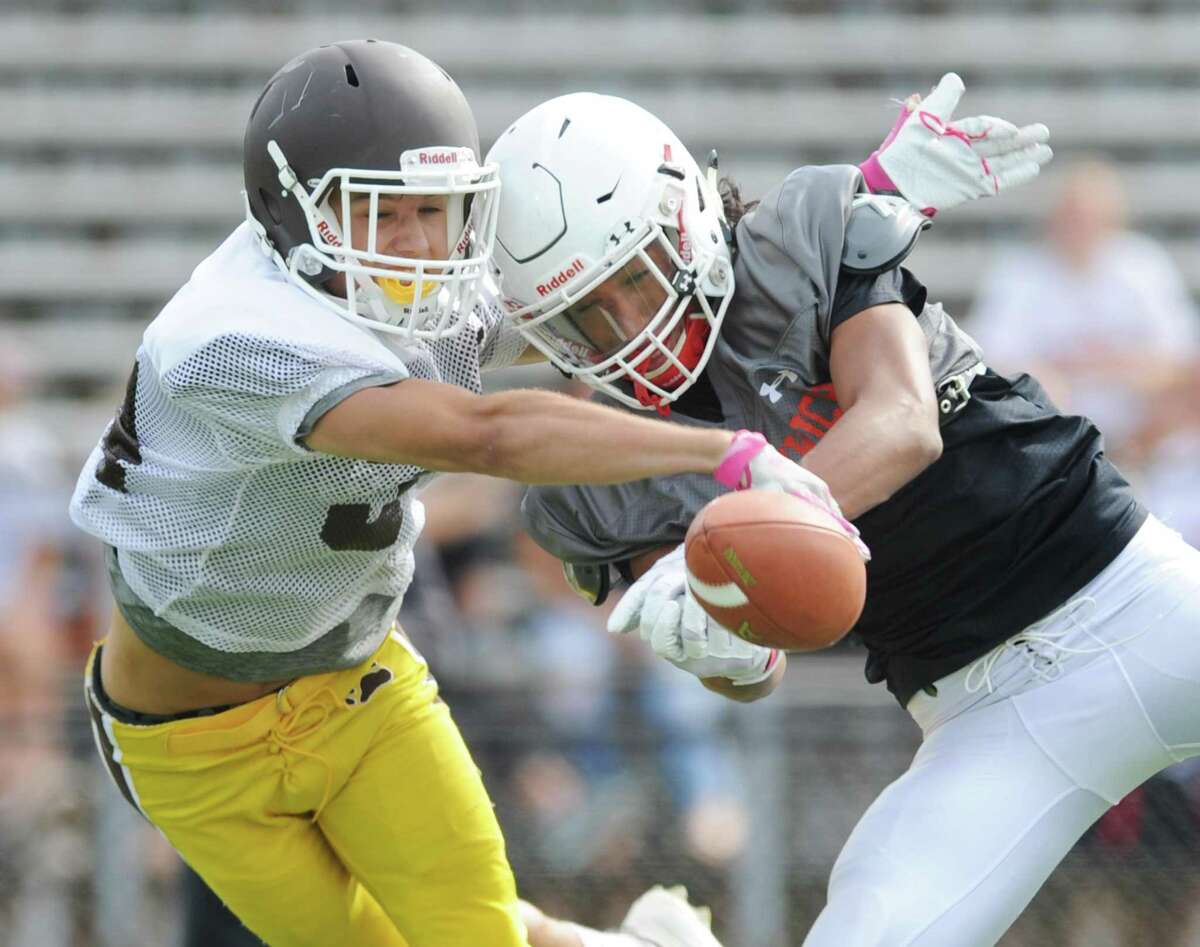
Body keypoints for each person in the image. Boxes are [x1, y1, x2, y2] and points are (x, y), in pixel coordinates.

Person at [68, 40, 847, 947]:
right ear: (296, 221)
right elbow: (490, 433)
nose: (416, 245)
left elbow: (616, 292)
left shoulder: (420, 290)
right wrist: (727, 454)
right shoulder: (235, 339)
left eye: (435, 212)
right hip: (188, 749)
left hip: (354, 681)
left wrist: (853, 202)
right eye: (383, 216)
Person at [489, 84, 1200, 946]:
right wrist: (720, 638)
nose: (630, 326)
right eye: (587, 316)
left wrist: (731, 533)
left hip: (1132, 595)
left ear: (683, 218)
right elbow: (757, 666)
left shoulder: (801, 238)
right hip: (983, 712)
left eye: (634, 278)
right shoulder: (596, 476)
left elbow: (902, 424)